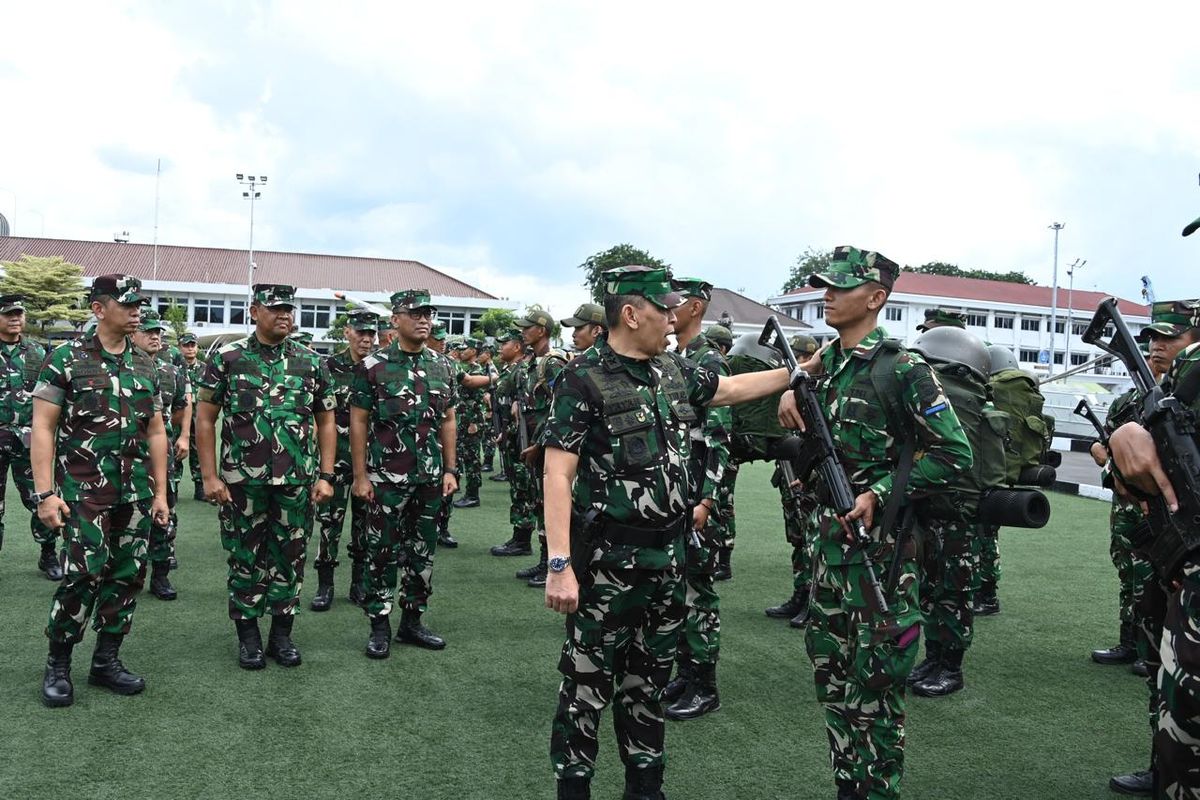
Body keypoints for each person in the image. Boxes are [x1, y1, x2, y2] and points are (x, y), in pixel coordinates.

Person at [543, 265, 793, 800]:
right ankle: (574, 789)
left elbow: (729, 388)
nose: (675, 317)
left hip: (669, 562)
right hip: (606, 566)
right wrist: (559, 565)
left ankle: (645, 788)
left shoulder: (673, 371)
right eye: (664, 308)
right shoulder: (581, 376)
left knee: (648, 684)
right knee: (585, 689)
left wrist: (800, 372)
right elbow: (557, 473)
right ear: (632, 314)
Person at [777, 246, 971, 800]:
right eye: (826, 286)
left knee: (878, 683)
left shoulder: (903, 368)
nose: (827, 295)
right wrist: (787, 397)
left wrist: (879, 491)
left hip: (883, 554)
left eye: (840, 287)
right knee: (832, 676)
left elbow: (954, 453)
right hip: (830, 550)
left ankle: (877, 788)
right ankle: (848, 785)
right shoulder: (828, 363)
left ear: (876, 298)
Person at [33, 274, 170, 707]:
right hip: (81, 493)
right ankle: (58, 662)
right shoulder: (65, 359)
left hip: (135, 493)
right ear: (98, 309)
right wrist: (45, 494)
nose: (137, 313)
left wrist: (162, 494)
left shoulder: (146, 363)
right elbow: (43, 428)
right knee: (82, 575)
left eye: (139, 306)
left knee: (127, 576)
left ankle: (106, 660)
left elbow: (156, 432)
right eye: (128, 305)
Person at [195, 284, 336, 670]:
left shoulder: (310, 361)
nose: (284, 315)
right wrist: (209, 476)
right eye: (275, 309)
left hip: (295, 480)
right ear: (255, 311)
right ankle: (249, 637)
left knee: (290, 555)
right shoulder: (228, 358)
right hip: (242, 482)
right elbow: (204, 419)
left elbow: (326, 419)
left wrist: (325, 474)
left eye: (289, 309)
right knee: (245, 556)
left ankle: (282, 635)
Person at [1105, 299, 1200, 797]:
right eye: (1153, 338)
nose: (1158, 347)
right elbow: (1122, 470)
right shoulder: (1167, 391)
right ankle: (1164, 765)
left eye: (1170, 337)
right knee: (1172, 681)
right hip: (1172, 551)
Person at [350, 289, 459, 657]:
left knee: (422, 553)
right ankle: (379, 624)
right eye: (415, 313)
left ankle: (412, 622)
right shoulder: (373, 366)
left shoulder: (443, 366)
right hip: (385, 479)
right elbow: (359, 421)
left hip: (429, 478)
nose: (423, 319)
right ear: (395, 320)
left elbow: (448, 420)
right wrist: (361, 476)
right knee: (380, 552)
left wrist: (449, 468)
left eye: (427, 313)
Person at [661, 277, 731, 721]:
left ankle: (704, 685)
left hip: (702, 498)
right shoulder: (673, 358)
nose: (668, 309)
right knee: (676, 589)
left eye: (677, 302)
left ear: (697, 308)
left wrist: (707, 501)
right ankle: (685, 673)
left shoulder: (710, 361)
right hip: (676, 492)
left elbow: (722, 440)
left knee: (698, 593)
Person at [310, 309, 378, 611]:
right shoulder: (328, 366)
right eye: (361, 332)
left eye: (371, 334)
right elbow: (317, 411)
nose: (366, 339)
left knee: (365, 524)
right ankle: (325, 585)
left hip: (370, 459)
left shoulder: (379, 367)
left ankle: (359, 583)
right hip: (335, 459)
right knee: (329, 523)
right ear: (347, 332)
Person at [131, 309, 191, 601]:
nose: (155, 337)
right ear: (133, 333)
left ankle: (161, 575)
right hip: (127, 457)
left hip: (161, 454)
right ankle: (127, 573)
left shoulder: (171, 371)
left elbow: (182, 406)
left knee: (164, 511)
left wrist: (181, 435)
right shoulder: (123, 366)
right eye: (148, 331)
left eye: (158, 332)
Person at [764, 333, 820, 627]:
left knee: (813, 542)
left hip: (810, 476)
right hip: (789, 472)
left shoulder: (815, 387)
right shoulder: (786, 385)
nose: (796, 360)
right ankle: (801, 594)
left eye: (800, 356)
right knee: (798, 540)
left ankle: (815, 601)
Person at [0, 294, 58, 580]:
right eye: (9, 313)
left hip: (28, 441)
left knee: (40, 498)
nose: (15, 318)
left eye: (19, 313)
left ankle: (48, 554)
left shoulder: (38, 353)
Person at [515, 305, 569, 587]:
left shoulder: (553, 363)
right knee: (538, 502)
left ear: (542, 331)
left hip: (548, 446)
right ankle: (543, 561)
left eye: (528, 327)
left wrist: (539, 444)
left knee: (549, 503)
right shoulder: (533, 362)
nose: (523, 332)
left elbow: (560, 408)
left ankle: (553, 565)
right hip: (535, 443)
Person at [451, 337, 487, 510]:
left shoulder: (477, 370)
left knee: (471, 459)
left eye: (466, 349)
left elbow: (477, 399)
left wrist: (473, 422)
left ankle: (473, 495)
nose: (462, 351)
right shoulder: (465, 368)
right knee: (461, 455)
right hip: (462, 420)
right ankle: (462, 488)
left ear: (473, 351)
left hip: (471, 421)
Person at [178, 331, 207, 501]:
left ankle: (200, 486)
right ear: (179, 347)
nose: (190, 349)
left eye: (192, 345)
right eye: (186, 345)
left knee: (200, 450)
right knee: (176, 449)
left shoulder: (205, 368)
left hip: (199, 416)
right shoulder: (175, 368)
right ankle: (172, 485)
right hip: (180, 415)